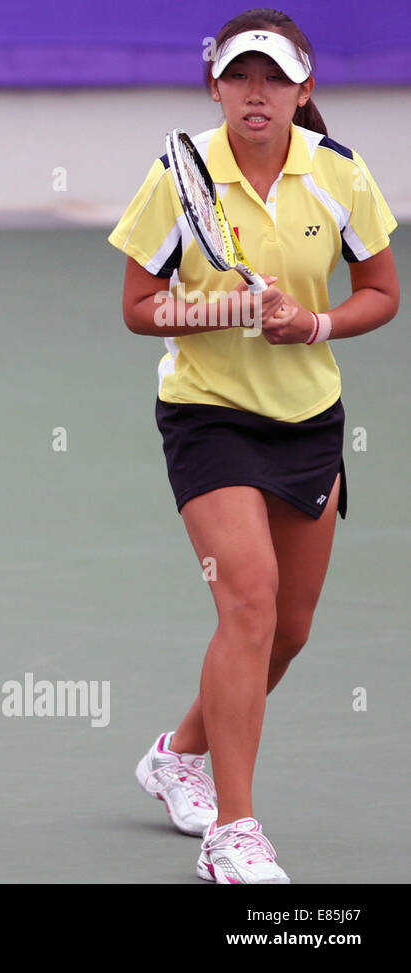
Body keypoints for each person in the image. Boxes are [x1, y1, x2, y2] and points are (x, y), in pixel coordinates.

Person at [108, 9, 398, 883]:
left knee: (290, 629)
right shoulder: (179, 174)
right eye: (240, 77)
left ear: (303, 90)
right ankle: (234, 831)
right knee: (250, 601)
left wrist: (313, 324)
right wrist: (221, 310)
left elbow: (382, 291)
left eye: (274, 78)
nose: (256, 93)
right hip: (209, 415)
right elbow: (136, 306)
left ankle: (177, 755)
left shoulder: (340, 175)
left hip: (308, 418)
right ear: (215, 87)